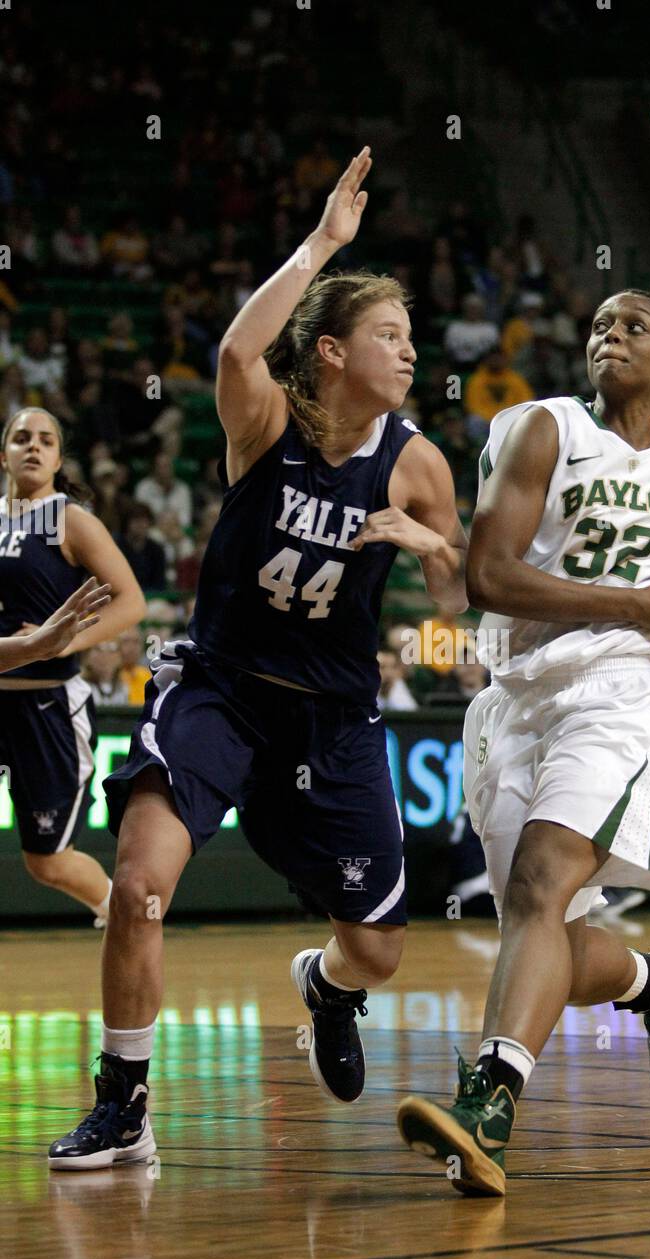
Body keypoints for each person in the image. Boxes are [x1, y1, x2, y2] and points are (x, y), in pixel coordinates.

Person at [48, 147, 468, 1170]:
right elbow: (240, 350)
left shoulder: (416, 464)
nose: (409, 353)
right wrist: (323, 242)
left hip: (331, 718)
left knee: (377, 947)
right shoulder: (266, 417)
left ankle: (325, 987)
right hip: (221, 690)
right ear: (328, 350)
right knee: (141, 882)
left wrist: (435, 555)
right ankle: (126, 1102)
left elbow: (459, 606)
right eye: (387, 334)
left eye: (412, 337)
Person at [397, 288, 650, 1195]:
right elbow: (488, 576)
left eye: (635, 326)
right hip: (516, 694)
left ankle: (488, 1104)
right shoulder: (538, 429)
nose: (609, 335)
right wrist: (643, 604)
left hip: (624, 692)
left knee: (543, 879)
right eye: (599, 324)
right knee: (535, 925)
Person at [0, 408, 145, 927]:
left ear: (58, 458)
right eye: (21, 438)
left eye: (45, 440)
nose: (33, 447)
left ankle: (120, 914)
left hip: (45, 706)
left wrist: (58, 644)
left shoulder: (69, 519)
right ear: (4, 455)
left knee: (47, 861)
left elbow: (130, 601)